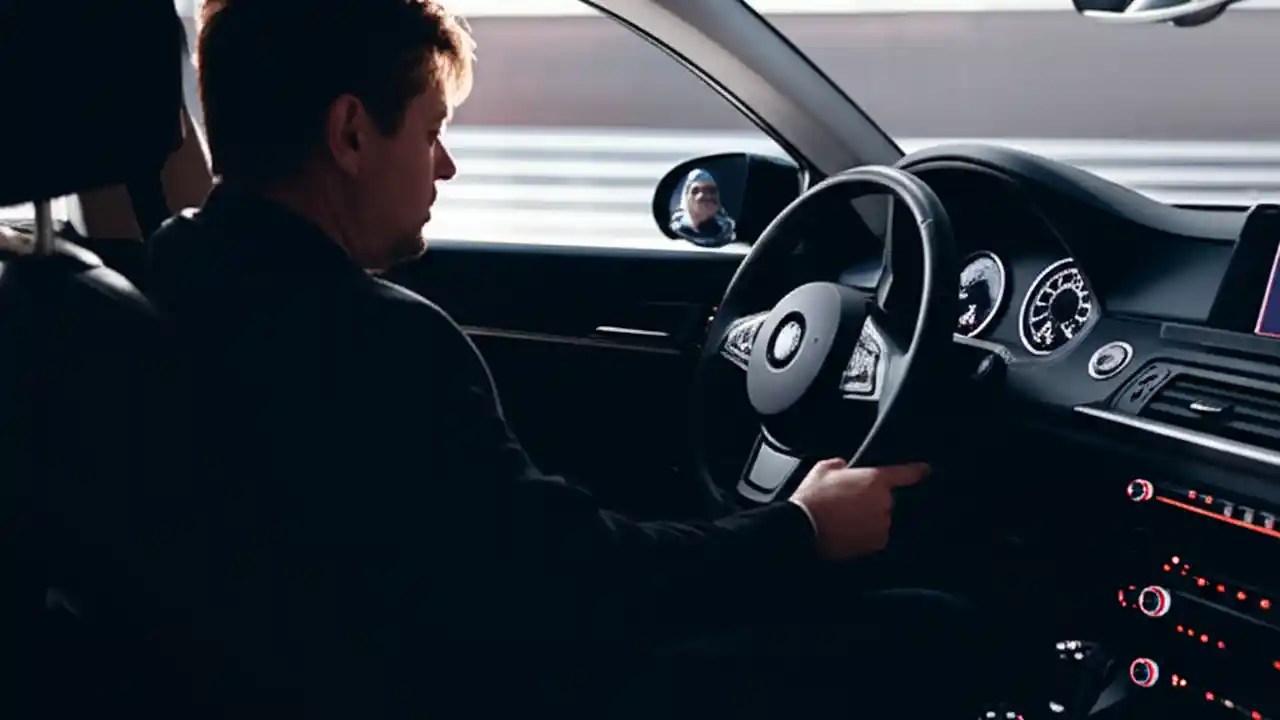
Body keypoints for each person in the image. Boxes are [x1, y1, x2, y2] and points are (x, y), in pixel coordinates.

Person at [145, 1, 996, 717]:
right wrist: (803, 529)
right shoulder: (377, 342)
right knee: (934, 629)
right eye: (432, 132)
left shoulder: (167, 280)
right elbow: (572, 587)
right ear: (352, 134)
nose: (447, 166)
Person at [669, 167, 737, 247]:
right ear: (686, 198)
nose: (705, 196)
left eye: (712, 190)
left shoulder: (729, 230)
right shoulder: (676, 232)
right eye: (695, 191)